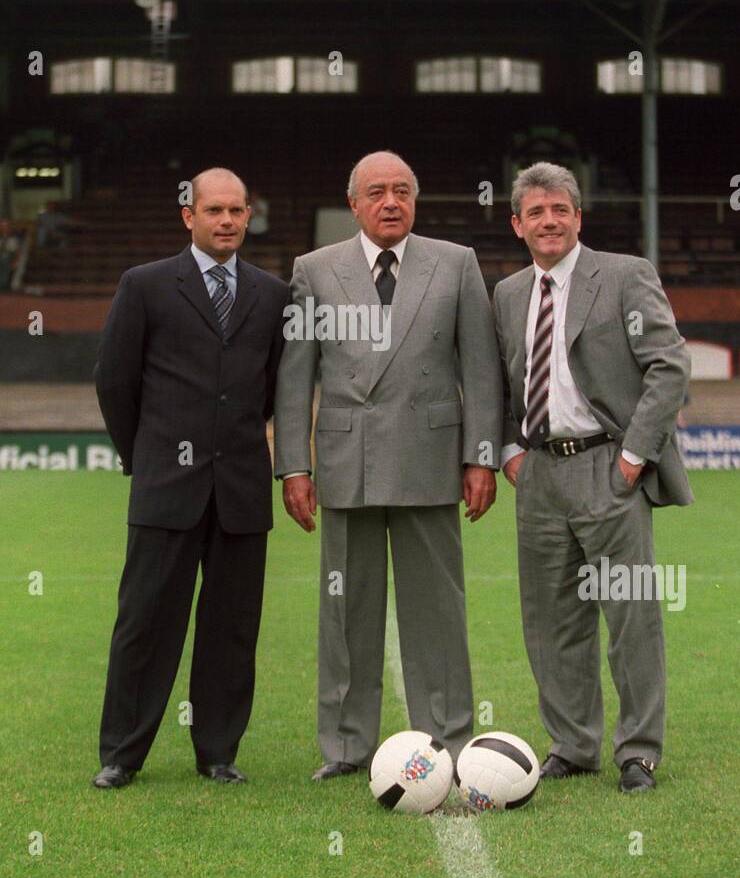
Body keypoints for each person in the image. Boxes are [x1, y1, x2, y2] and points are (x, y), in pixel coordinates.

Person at [273, 150, 502, 779]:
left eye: (402, 190)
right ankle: (346, 747)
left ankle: (449, 742)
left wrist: (481, 456)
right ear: (354, 203)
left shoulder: (456, 264)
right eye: (376, 192)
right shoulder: (314, 271)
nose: (390, 202)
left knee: (438, 613)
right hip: (348, 465)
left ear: (416, 200)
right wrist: (294, 466)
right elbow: (295, 380)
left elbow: (482, 372)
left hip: (432, 463)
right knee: (346, 613)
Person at [492, 161, 692, 794]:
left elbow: (670, 365)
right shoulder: (507, 294)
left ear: (578, 217)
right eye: (536, 212)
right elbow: (501, 379)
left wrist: (635, 453)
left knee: (630, 614)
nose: (549, 221)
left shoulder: (626, 276)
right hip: (540, 473)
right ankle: (573, 745)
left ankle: (638, 751)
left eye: (561, 210)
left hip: (611, 466)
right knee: (551, 621)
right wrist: (507, 450)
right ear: (517, 223)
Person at [92, 169, 289, 789]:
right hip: (165, 487)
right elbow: (115, 382)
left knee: (232, 628)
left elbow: (273, 389)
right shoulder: (146, 286)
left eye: (238, 210)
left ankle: (217, 752)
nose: (228, 221)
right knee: (146, 622)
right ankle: (122, 754)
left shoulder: (274, 293)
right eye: (215, 210)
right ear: (189, 216)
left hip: (240, 492)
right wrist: (144, 457)